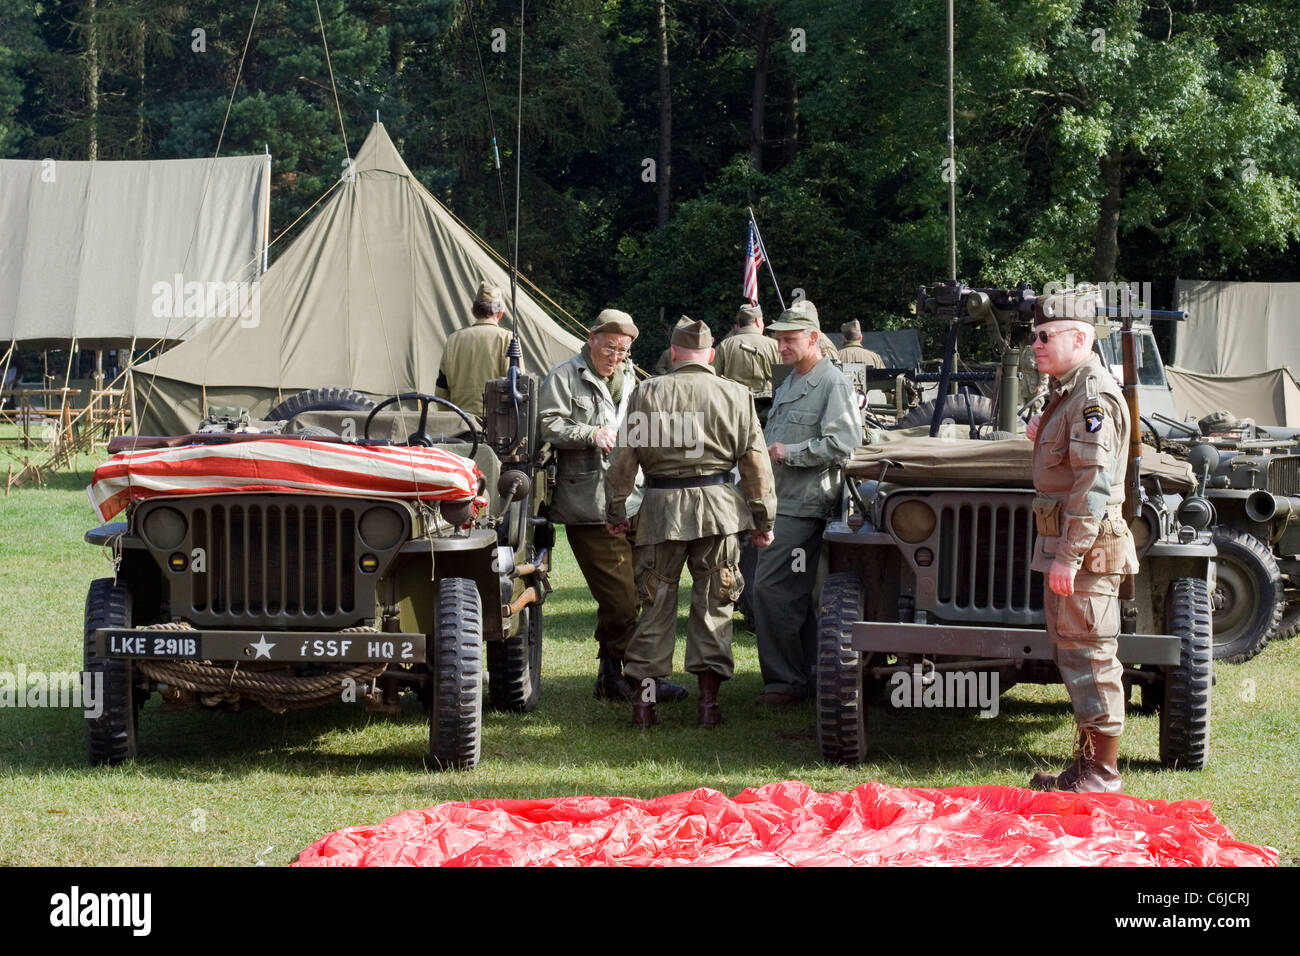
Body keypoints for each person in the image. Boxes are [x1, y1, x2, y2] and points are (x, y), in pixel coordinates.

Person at [604, 318, 776, 727]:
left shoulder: (647, 392)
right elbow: (755, 463)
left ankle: (645, 707)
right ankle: (708, 706)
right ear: (711, 355)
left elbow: (623, 461)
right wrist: (762, 517)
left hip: (660, 510)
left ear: (675, 353)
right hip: (718, 510)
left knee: (653, 605)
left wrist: (616, 511)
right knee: (716, 604)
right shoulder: (736, 394)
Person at [538, 309, 687, 703]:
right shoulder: (564, 377)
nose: (615, 356)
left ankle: (611, 674)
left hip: (633, 500)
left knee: (639, 593)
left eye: (622, 350)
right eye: (609, 347)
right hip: (590, 506)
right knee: (620, 601)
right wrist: (590, 433)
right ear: (591, 339)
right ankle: (640, 681)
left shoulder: (630, 380)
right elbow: (547, 424)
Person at [1024, 288, 1138, 793]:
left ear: (1079, 337)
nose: (1035, 344)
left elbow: (1093, 486)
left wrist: (1068, 557)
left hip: (1086, 551)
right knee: (1076, 655)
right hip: (1072, 547)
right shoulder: (1068, 393)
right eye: (1033, 336)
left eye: (1045, 335)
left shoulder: (1091, 396)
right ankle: (1086, 766)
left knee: (1092, 657)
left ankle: (1103, 773)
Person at [752, 300, 860, 705]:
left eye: (789, 338)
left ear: (813, 338)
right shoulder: (794, 380)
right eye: (778, 337)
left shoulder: (831, 382)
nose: (780, 345)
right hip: (785, 503)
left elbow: (845, 443)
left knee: (773, 590)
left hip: (805, 507)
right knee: (790, 593)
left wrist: (788, 452)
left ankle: (785, 682)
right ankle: (806, 674)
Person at [435, 280, 515, 419]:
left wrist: (449, 420)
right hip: (497, 427)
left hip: (460, 424)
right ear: (500, 313)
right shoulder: (508, 339)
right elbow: (517, 386)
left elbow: (441, 390)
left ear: (473, 311)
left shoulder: (453, 340)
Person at [714, 303, 782, 412]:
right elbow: (783, 382)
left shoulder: (725, 345)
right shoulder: (775, 345)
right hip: (768, 409)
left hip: (735, 405)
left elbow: (714, 378)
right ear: (757, 321)